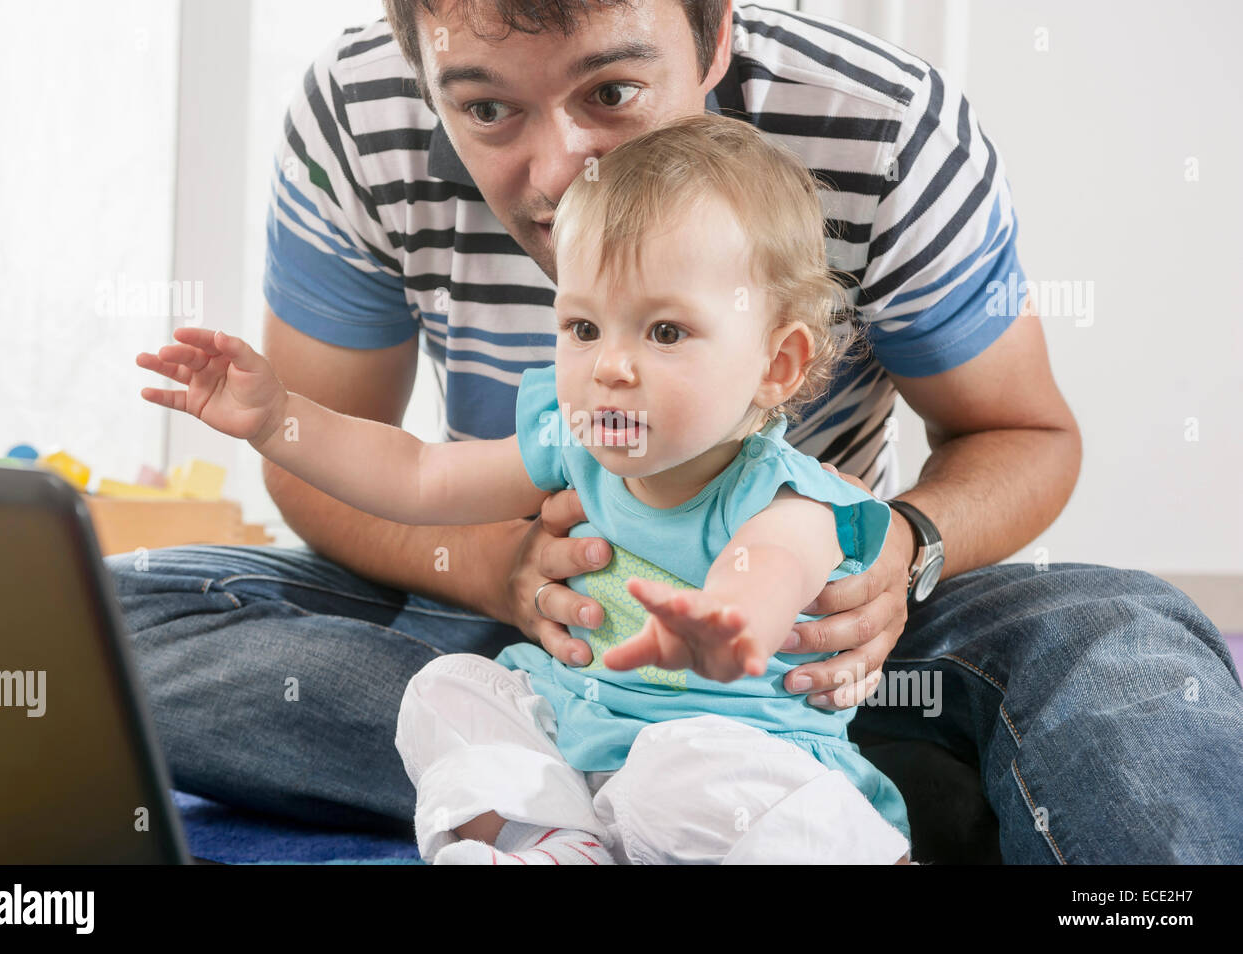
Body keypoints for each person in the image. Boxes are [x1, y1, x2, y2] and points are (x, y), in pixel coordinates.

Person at [109, 0, 1243, 862]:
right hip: (540, 648)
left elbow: (1018, 438)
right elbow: (396, 469)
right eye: (489, 108)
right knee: (117, 617)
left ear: (715, 42)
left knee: (1123, 632)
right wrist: (485, 564)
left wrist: (890, 556)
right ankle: (616, 817)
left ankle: (808, 790)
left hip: (827, 652)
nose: (562, 175)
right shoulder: (367, 118)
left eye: (610, 93)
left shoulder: (888, 128)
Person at [138, 112, 913, 864]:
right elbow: (418, 476)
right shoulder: (573, 441)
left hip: (730, 776)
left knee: (674, 776)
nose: (610, 365)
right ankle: (550, 843)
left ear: (775, 365)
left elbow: (769, 568)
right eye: (583, 328)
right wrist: (279, 420)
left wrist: (724, 623)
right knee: (451, 690)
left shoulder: (788, 498)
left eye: (665, 332)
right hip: (583, 744)